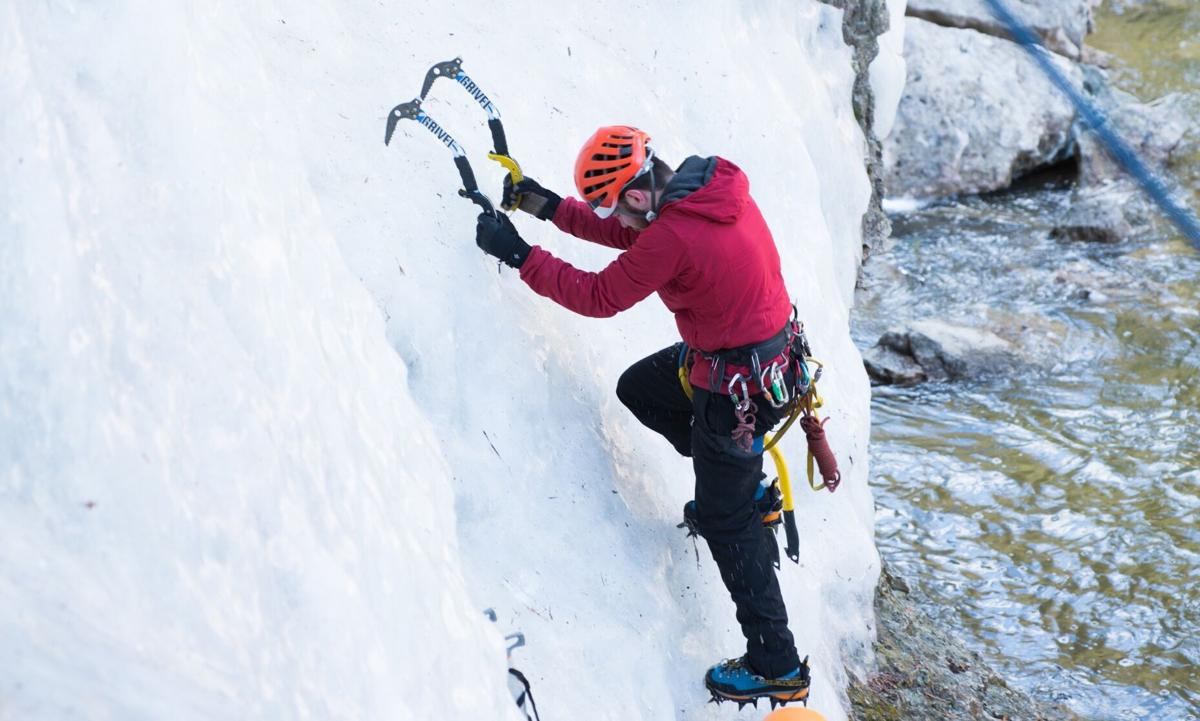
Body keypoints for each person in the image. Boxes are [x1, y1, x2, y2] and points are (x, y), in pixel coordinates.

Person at [474, 125, 810, 705]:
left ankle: (776, 662)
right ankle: (741, 486)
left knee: (723, 522)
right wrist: (546, 206)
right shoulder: (708, 187)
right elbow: (634, 240)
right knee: (642, 388)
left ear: (636, 195)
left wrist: (520, 255)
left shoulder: (671, 236)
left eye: (615, 206)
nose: (618, 220)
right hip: (763, 358)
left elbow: (599, 296)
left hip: (735, 392)